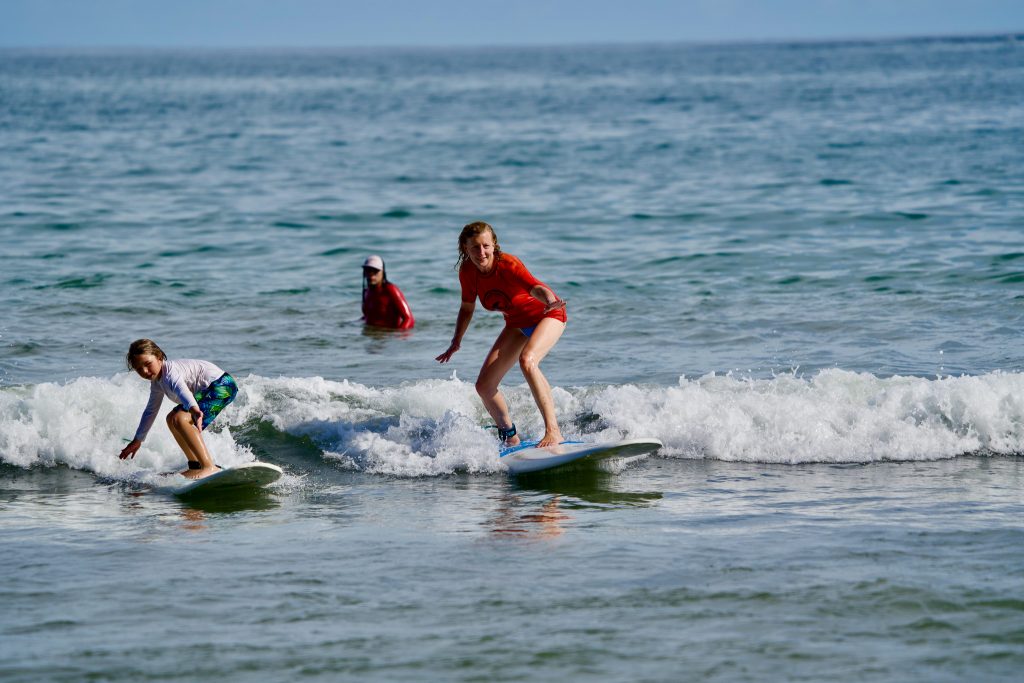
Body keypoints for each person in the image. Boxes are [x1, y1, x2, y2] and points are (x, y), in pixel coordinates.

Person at [436, 221, 567, 448]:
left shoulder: (508, 264)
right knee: (484, 386)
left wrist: (550, 301)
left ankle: (553, 432)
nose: (481, 252)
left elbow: (534, 287)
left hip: (548, 314)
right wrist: (456, 341)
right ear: (465, 249)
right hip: (516, 324)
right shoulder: (467, 272)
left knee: (528, 360)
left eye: (486, 246)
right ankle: (510, 437)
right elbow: (467, 308)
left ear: (494, 245)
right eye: (474, 247)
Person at [118, 339, 238, 480]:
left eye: (148, 364)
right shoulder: (157, 382)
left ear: (159, 357)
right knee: (171, 419)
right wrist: (138, 440)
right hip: (210, 388)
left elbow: (182, 390)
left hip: (222, 385)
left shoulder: (170, 373)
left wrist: (193, 409)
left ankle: (209, 467)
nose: (145, 371)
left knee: (180, 418)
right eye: (139, 369)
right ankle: (195, 465)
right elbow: (151, 411)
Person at [362, 255, 415, 330]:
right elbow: (370, 316)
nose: (371, 274)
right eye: (368, 270)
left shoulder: (391, 290)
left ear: (383, 272)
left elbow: (409, 319)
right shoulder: (367, 292)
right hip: (370, 337)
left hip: (387, 338)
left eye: (375, 270)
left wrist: (398, 337)